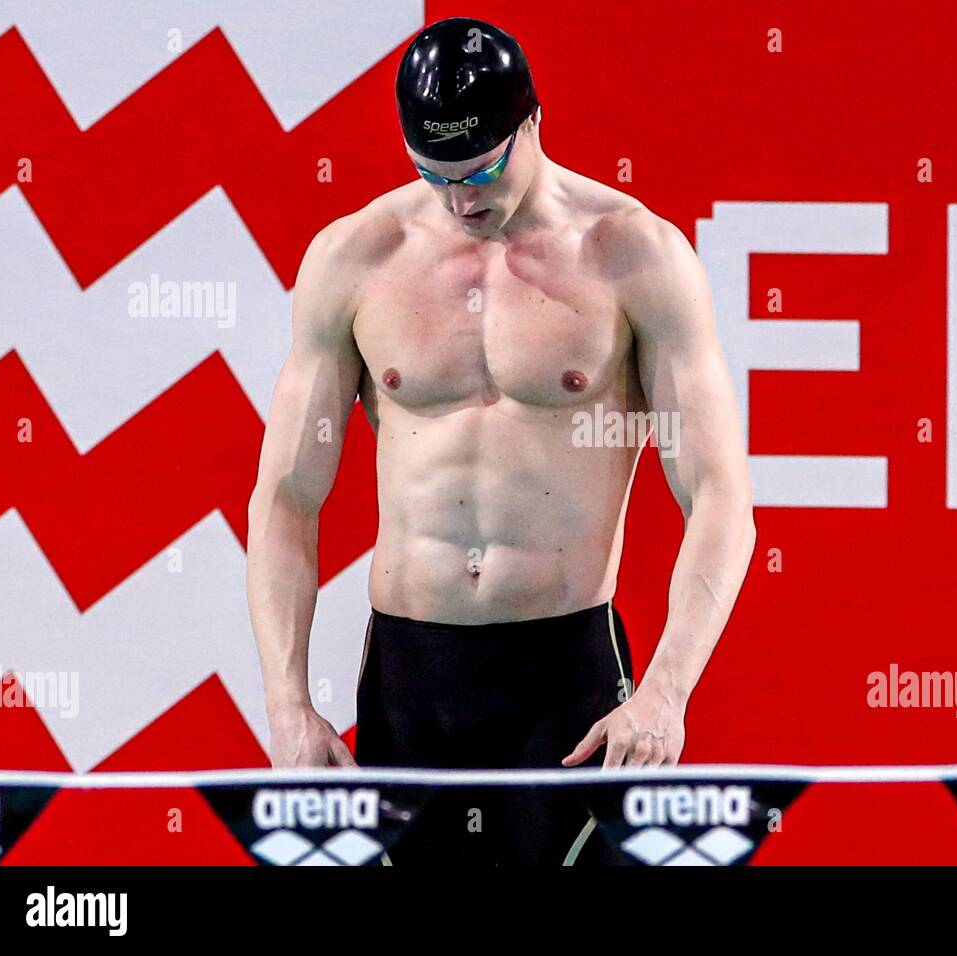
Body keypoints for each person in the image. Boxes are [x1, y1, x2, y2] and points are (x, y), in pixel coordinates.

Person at [245, 16, 755, 864]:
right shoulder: (356, 259)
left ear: (533, 121)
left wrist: (667, 690)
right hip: (410, 681)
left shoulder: (634, 257)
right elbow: (286, 498)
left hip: (565, 679)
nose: (463, 200)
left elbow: (720, 497)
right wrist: (286, 704)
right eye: (434, 174)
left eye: (482, 169)